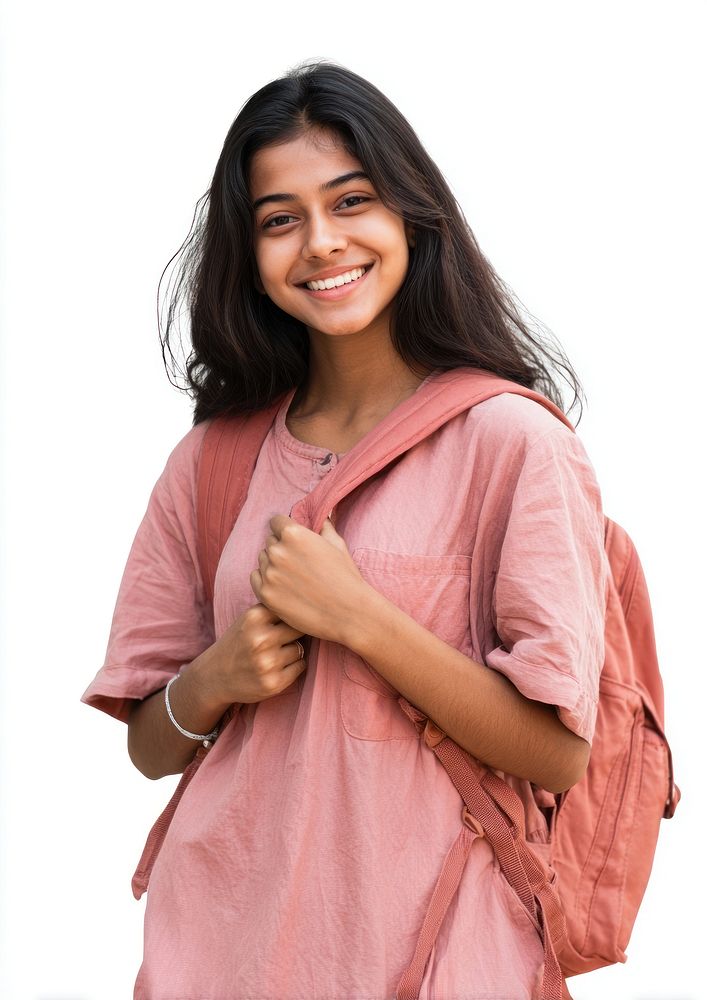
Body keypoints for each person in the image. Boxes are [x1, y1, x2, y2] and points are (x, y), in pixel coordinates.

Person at [81, 59, 608, 999]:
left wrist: (359, 618)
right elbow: (149, 747)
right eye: (279, 219)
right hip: (218, 956)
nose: (321, 242)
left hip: (435, 956)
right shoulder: (211, 462)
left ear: (410, 213)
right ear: (249, 251)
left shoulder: (512, 443)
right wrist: (215, 678)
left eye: (351, 201)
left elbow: (560, 752)